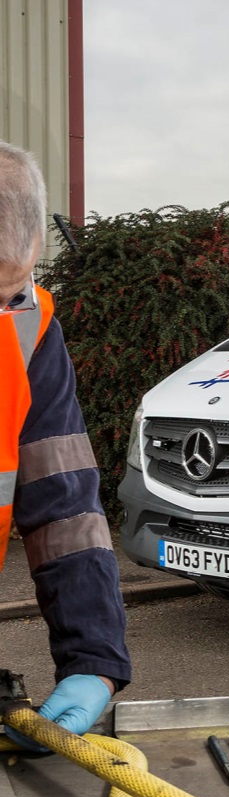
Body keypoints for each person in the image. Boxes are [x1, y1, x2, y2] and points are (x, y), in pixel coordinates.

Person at [0, 139, 131, 749]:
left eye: (13, 292)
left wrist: (92, 657)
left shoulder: (28, 327)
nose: (6, 312)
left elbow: (63, 503)